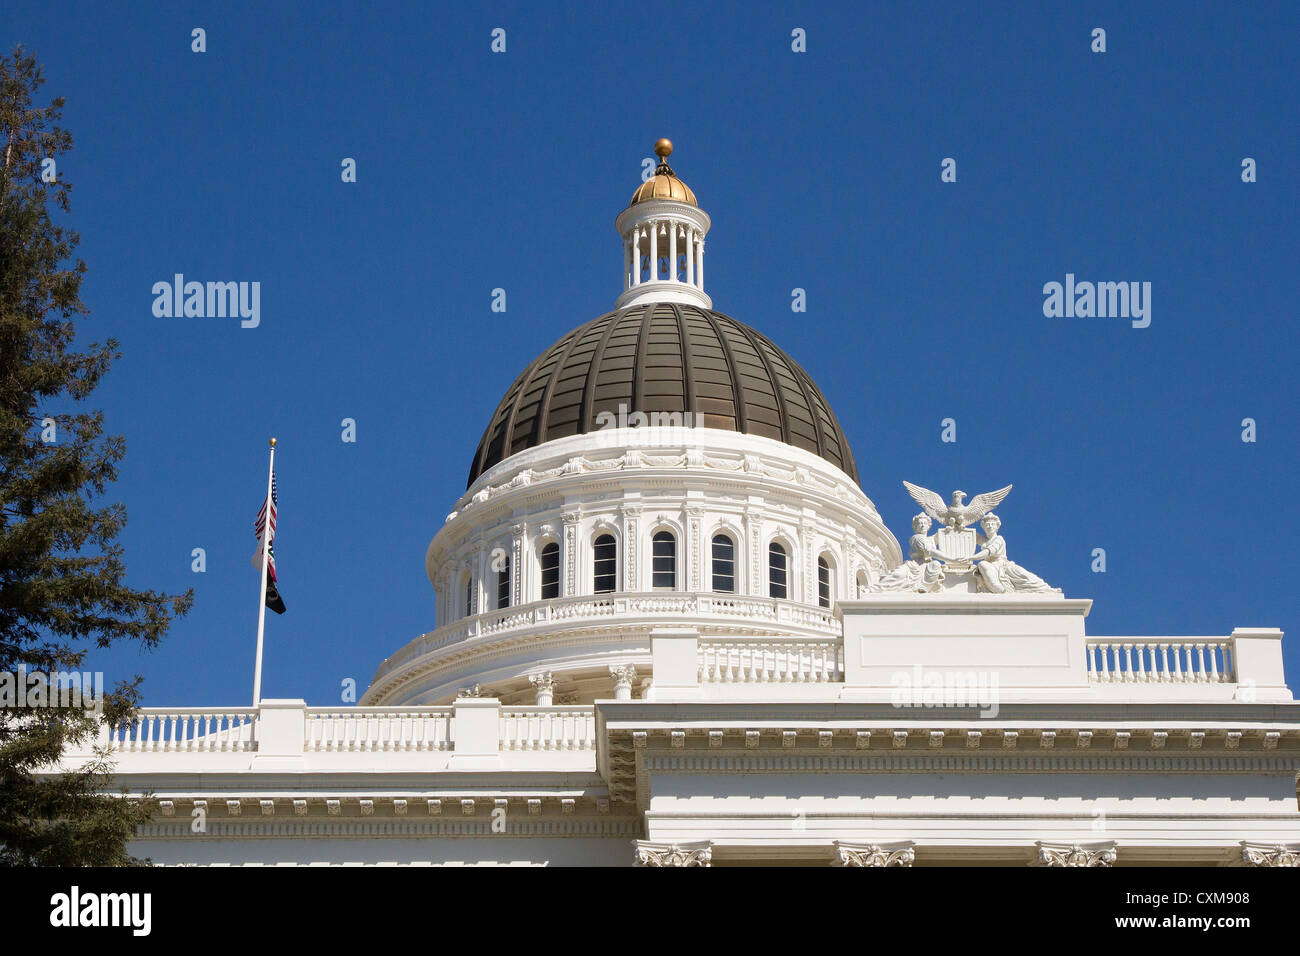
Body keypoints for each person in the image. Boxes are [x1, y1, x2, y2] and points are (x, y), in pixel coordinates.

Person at [968, 514, 1054, 593]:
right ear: (983, 527)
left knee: (1026, 577)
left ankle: (1047, 589)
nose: (990, 526)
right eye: (987, 525)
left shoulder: (999, 539)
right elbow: (971, 534)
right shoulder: (985, 540)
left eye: (993, 524)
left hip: (1003, 566)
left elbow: (988, 552)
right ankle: (999, 590)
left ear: (997, 527)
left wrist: (971, 558)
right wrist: (959, 523)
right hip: (992, 566)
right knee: (982, 564)